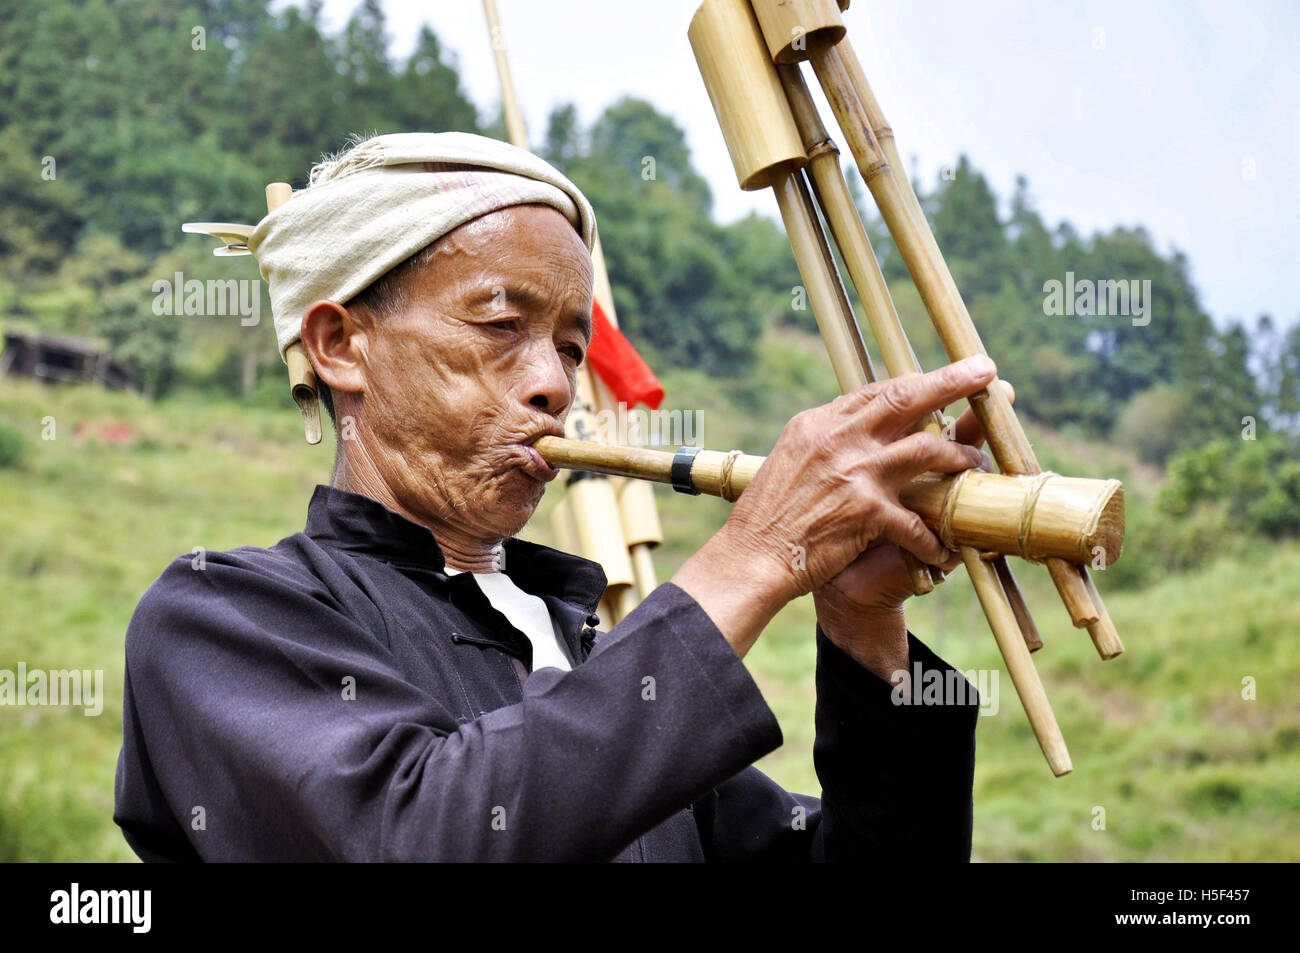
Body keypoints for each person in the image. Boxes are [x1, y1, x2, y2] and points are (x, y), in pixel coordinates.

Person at [114, 132, 997, 862]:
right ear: (343, 344)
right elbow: (414, 837)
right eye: (501, 325)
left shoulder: (593, 661)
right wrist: (757, 554)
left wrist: (861, 627)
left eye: (572, 349)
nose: (552, 384)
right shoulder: (219, 614)